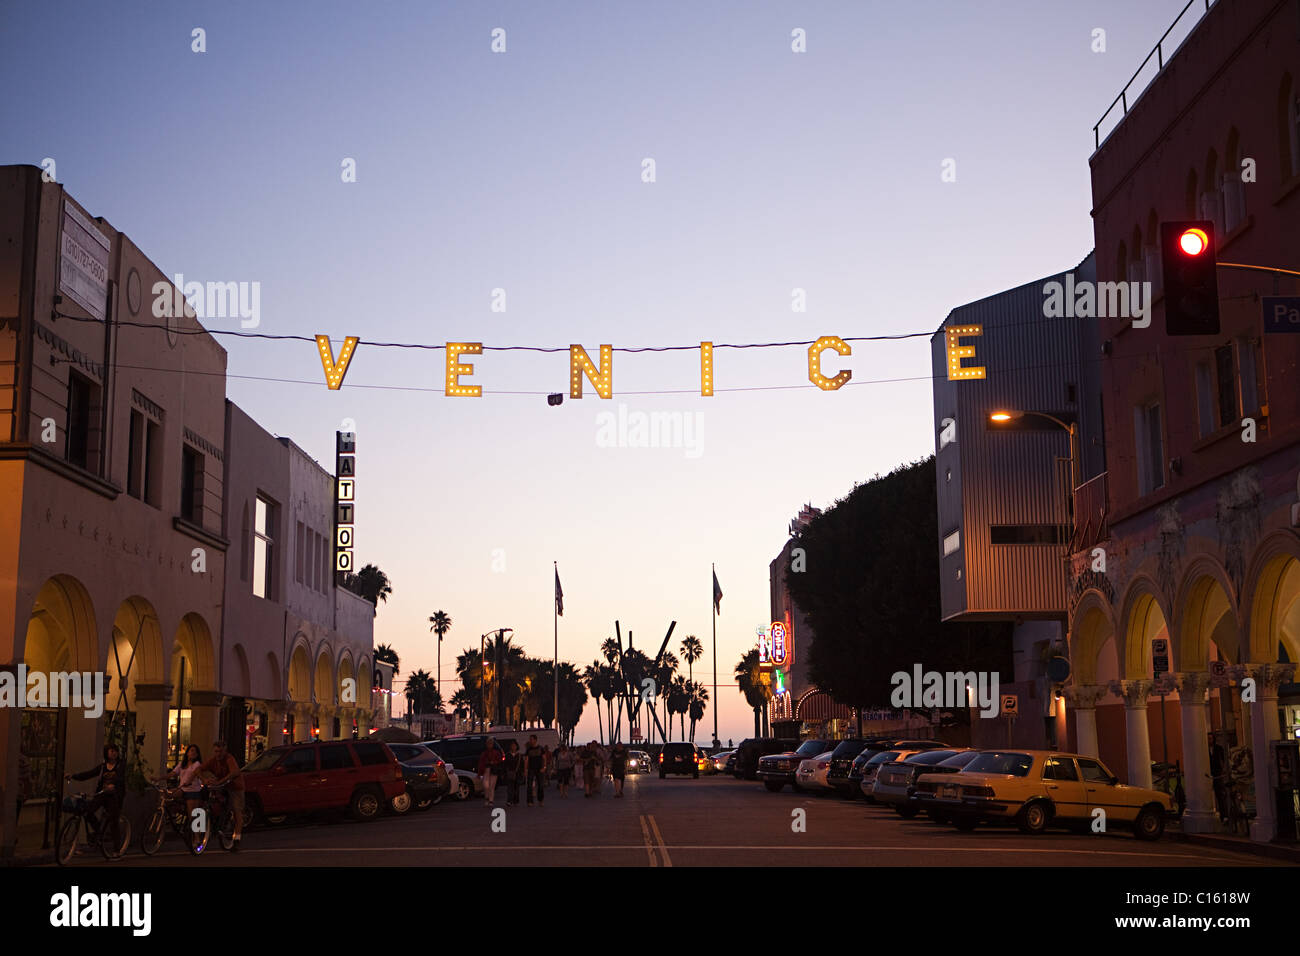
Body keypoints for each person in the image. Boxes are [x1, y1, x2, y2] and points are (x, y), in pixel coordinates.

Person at [66, 743, 126, 852]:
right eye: (111, 751)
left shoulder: (120, 765)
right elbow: (89, 774)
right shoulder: (103, 767)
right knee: (88, 812)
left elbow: (120, 778)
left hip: (114, 795)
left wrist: (114, 785)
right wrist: (73, 776)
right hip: (102, 793)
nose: (114, 753)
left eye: (115, 751)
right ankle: (99, 832)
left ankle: (117, 849)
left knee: (113, 820)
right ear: (106, 753)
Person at [202, 739, 245, 851]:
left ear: (225, 751)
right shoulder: (213, 761)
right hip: (222, 786)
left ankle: (237, 839)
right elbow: (198, 770)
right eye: (216, 751)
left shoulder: (229, 759)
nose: (218, 754)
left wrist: (220, 782)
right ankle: (211, 824)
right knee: (209, 802)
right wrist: (204, 780)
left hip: (235, 787)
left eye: (220, 751)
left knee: (237, 810)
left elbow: (234, 772)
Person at [477, 737, 504, 807]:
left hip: (493, 770)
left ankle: (490, 800)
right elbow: (481, 763)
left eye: (491, 744)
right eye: (488, 744)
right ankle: (487, 798)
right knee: (486, 786)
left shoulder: (495, 753)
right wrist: (479, 773)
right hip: (486, 769)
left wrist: (494, 762)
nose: (489, 745)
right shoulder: (484, 753)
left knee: (491, 786)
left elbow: (500, 761)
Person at [501, 741, 525, 806]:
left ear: (516, 747)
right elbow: (504, 765)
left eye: (514, 746)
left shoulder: (519, 755)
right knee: (509, 788)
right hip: (510, 773)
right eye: (512, 745)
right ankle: (509, 800)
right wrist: (503, 773)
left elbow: (522, 764)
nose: (513, 747)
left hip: (517, 773)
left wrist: (523, 772)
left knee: (516, 788)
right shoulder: (507, 755)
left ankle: (516, 801)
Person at [525, 734, 546, 806]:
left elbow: (544, 758)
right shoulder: (529, 749)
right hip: (531, 769)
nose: (530, 740)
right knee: (529, 785)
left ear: (535, 740)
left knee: (540, 785)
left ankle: (540, 800)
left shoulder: (541, 748)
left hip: (539, 769)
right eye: (530, 739)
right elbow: (526, 760)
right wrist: (525, 769)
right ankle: (530, 801)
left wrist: (544, 767)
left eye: (532, 739)